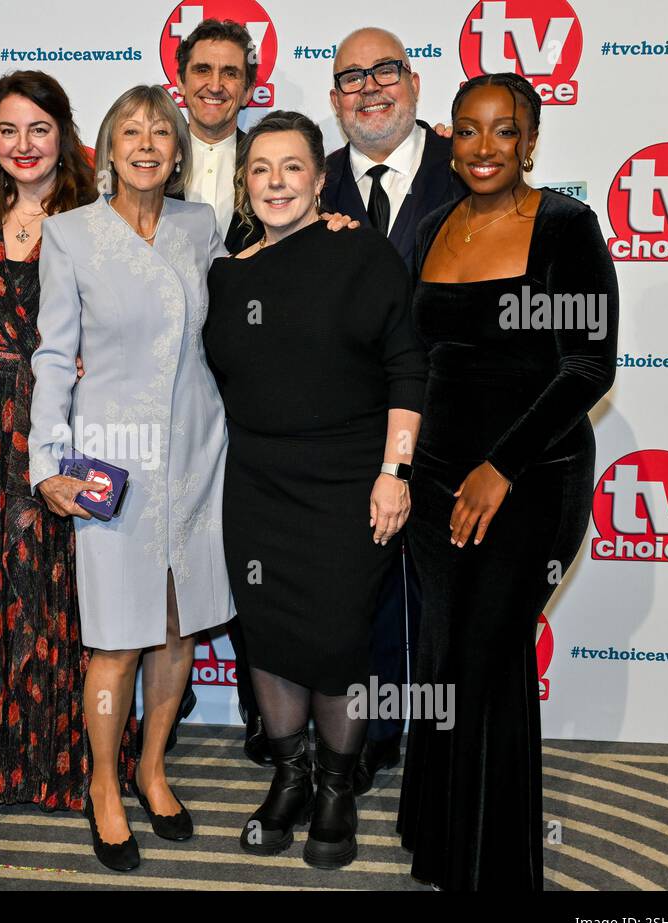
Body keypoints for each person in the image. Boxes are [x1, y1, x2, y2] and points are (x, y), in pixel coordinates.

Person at [397, 74, 618, 890]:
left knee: (488, 660)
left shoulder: (565, 226)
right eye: (466, 130)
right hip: (436, 485)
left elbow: (588, 365)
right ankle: (439, 834)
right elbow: (415, 359)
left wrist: (501, 466)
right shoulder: (429, 227)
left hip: (530, 478)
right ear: (448, 139)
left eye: (502, 131)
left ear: (531, 138)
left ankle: (488, 864)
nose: (483, 147)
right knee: (445, 656)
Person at [204, 111, 426, 869]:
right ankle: (290, 777)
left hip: (348, 483)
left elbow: (407, 368)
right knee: (268, 637)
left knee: (337, 642)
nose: (275, 183)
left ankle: (337, 788)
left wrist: (395, 472)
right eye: (260, 169)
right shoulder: (226, 274)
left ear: (320, 176)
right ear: (245, 182)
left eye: (291, 167)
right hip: (258, 483)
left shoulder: (361, 254)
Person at [26, 84, 235, 872]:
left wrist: (326, 228)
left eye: (161, 133)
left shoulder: (199, 225)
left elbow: (252, 293)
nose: (146, 143)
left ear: (180, 152)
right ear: (106, 149)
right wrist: (48, 461)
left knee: (178, 628)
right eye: (130, 132)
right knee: (115, 640)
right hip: (110, 463)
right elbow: (52, 356)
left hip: (195, 455)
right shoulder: (71, 235)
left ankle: (153, 766)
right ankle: (106, 786)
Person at [0, 70, 138, 811]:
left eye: (39, 129)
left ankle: (62, 761)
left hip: (62, 428)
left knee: (59, 596)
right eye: (8, 129)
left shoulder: (99, 221)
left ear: (65, 136)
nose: (24, 145)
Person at [324, 27, 467, 796]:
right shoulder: (310, 182)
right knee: (368, 590)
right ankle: (375, 735)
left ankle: (446, 747)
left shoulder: (464, 166)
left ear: (414, 82)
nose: (370, 88)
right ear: (334, 98)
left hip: (452, 428)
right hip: (350, 433)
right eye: (353, 77)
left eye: (385, 71)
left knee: (443, 591)